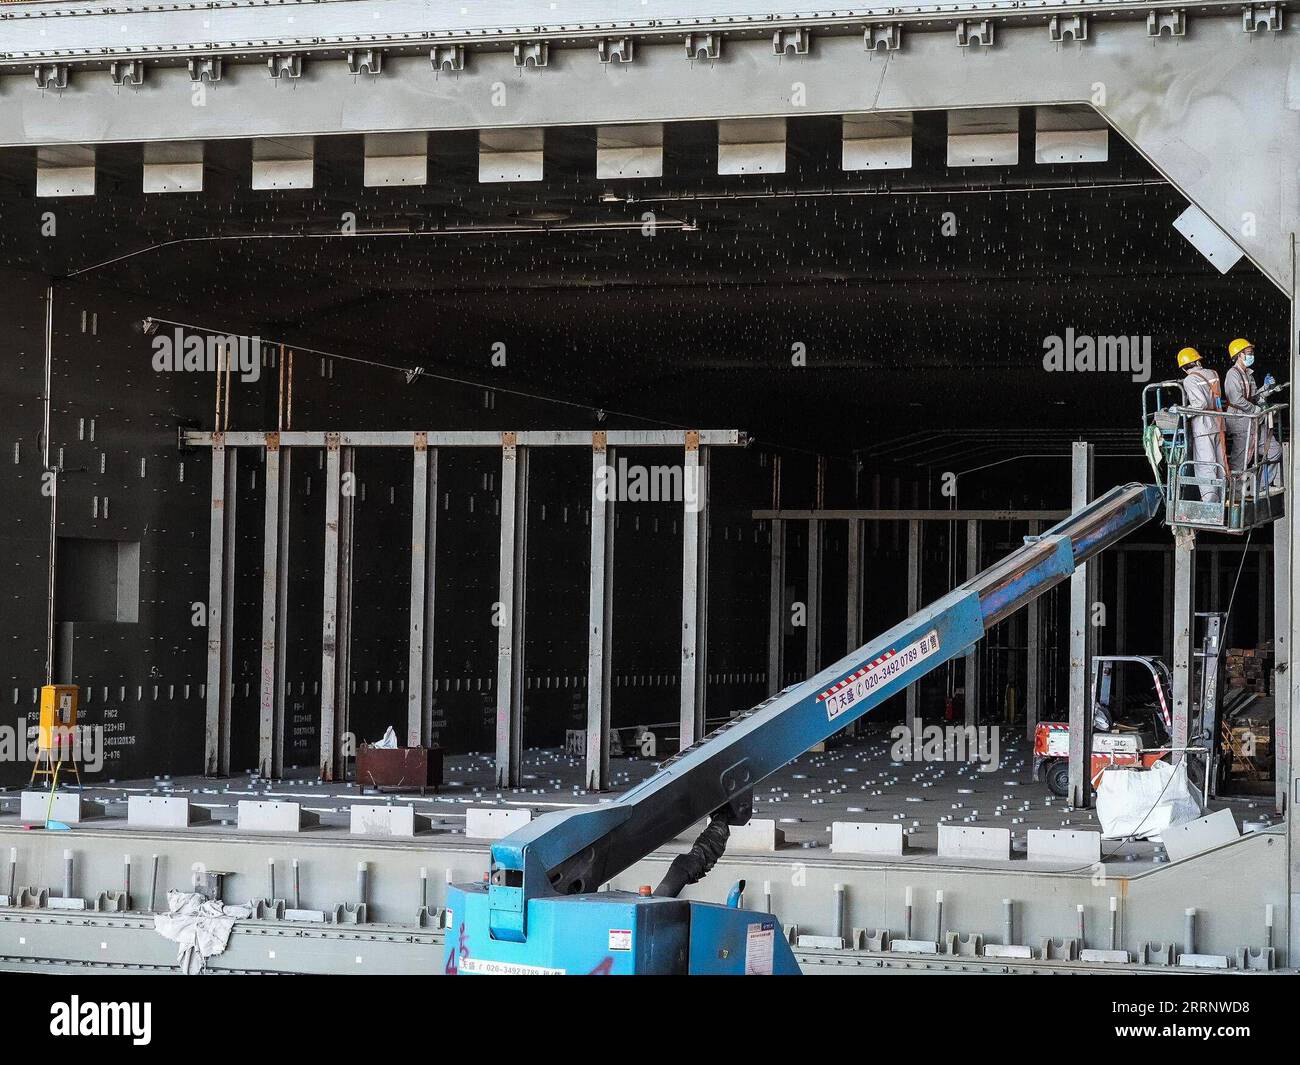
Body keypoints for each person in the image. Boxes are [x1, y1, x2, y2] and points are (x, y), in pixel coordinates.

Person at [1223, 337, 1282, 491]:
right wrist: (1252, 409)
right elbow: (1235, 398)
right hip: (1240, 420)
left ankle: (1261, 487)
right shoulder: (1232, 374)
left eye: (1251, 352)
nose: (1251, 355)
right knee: (1240, 459)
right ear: (1238, 355)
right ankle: (1234, 492)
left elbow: (1254, 396)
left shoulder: (1248, 374)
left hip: (1254, 419)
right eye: (1248, 353)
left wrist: (1266, 388)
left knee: (1274, 451)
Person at [1176, 347, 1228, 503]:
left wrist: (1181, 411)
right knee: (1220, 462)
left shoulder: (1189, 380)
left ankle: (1210, 502)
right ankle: (1223, 498)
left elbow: (1200, 403)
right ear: (1198, 360)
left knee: (1206, 465)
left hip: (1203, 427)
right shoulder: (1213, 374)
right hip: (1218, 423)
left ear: (1184, 368)